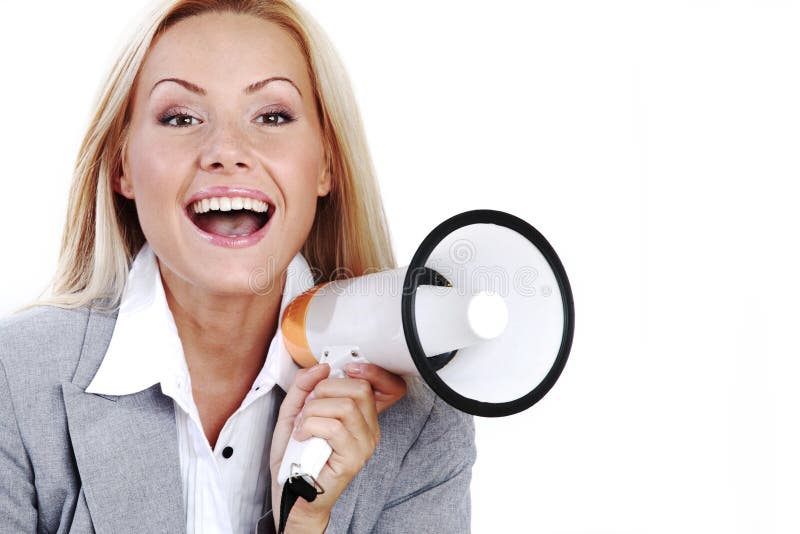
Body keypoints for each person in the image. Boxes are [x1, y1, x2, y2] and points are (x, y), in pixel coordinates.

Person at [0, 1, 476, 533]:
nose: (226, 150)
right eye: (180, 117)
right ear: (122, 167)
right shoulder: (13, 380)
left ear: (326, 164)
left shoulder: (421, 420)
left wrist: (304, 521)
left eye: (272, 116)